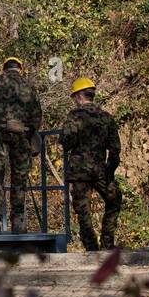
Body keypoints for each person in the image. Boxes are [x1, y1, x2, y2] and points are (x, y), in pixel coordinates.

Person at [0, 57, 42, 233]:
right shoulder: (28, 85)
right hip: (21, 134)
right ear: (20, 69)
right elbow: (36, 114)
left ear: (3, 69)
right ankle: (18, 221)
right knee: (19, 177)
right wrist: (30, 131)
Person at [59, 77, 122, 251]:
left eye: (74, 97)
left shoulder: (75, 116)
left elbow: (66, 142)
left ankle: (92, 248)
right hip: (101, 170)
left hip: (80, 173)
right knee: (115, 201)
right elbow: (115, 149)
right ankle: (107, 244)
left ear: (79, 96)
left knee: (83, 210)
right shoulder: (106, 117)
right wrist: (109, 169)